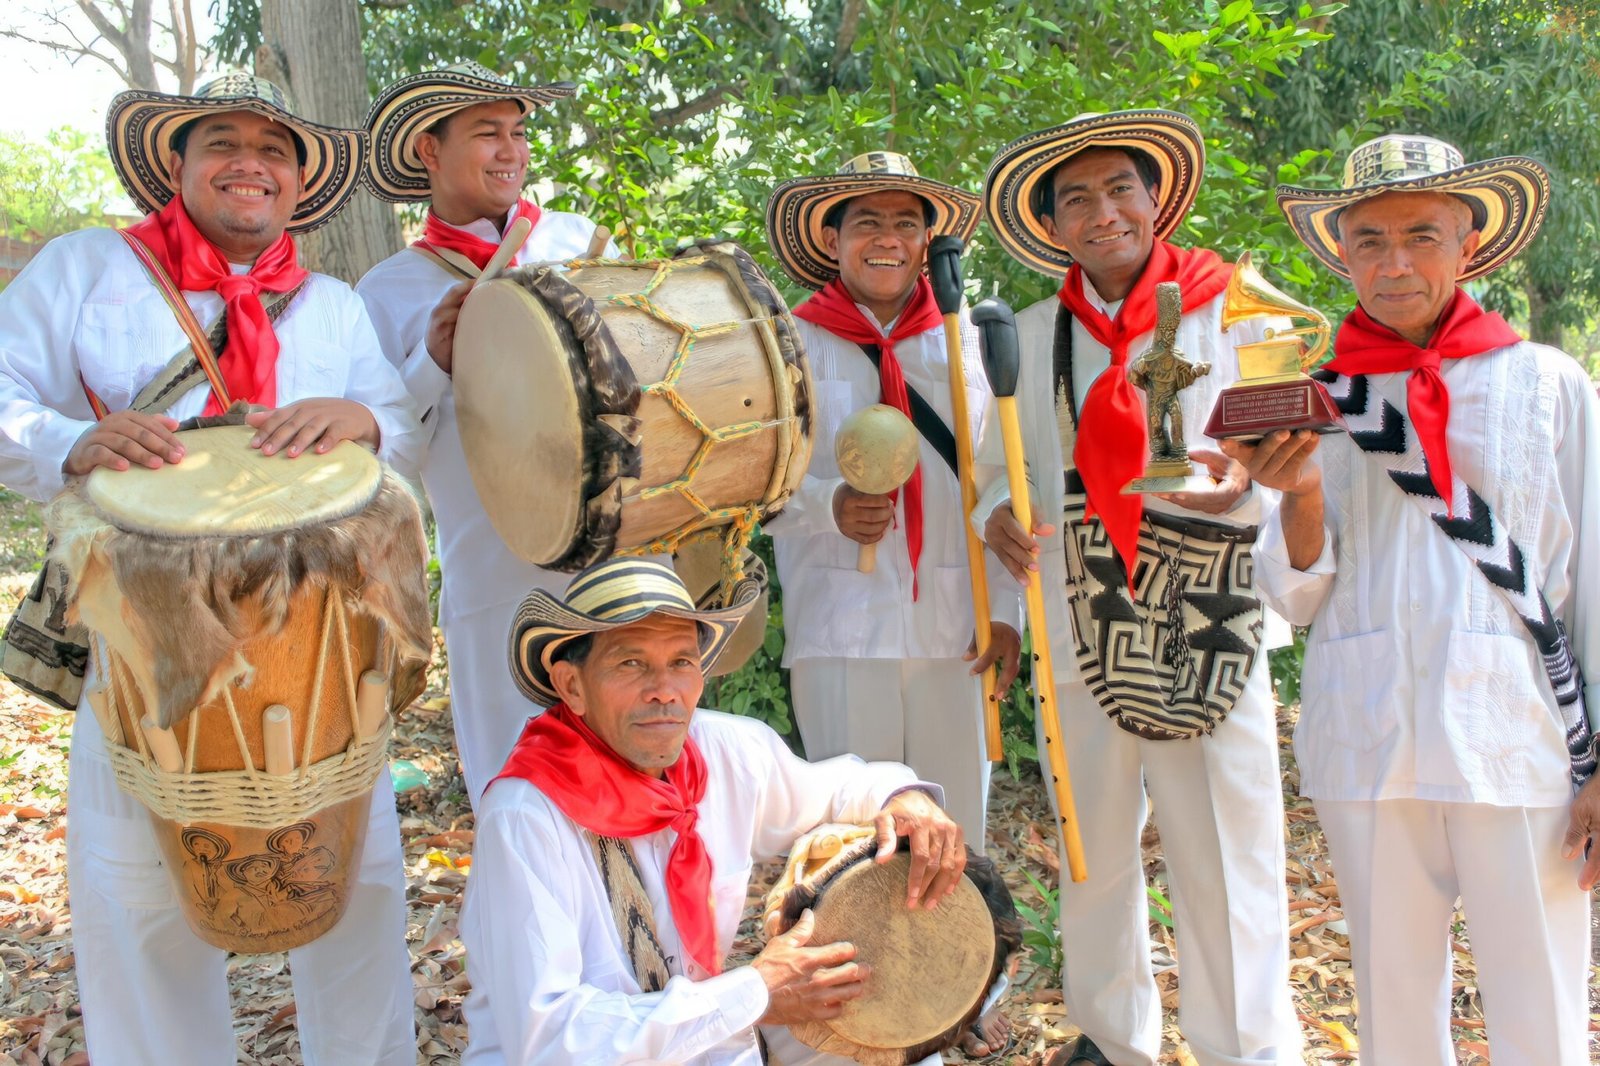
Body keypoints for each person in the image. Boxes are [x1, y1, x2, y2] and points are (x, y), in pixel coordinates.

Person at [0, 75, 422, 1064]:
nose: (250, 162)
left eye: (274, 150)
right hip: (146, 636)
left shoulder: (331, 304)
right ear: (176, 166)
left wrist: (361, 420)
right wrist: (73, 438)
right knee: (138, 896)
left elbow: (398, 425)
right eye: (222, 142)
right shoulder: (86, 268)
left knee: (354, 889)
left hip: (329, 638)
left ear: (299, 181)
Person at [1228, 133, 1600, 1066]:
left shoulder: (1549, 384)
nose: (1394, 263)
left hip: (1521, 737)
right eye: (1370, 240)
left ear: (1470, 245)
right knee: (1393, 1009)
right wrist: (1301, 494)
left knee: (1544, 1008)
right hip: (1369, 734)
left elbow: (1591, 574)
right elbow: (1294, 593)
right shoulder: (1310, 398)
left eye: (1422, 236)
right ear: (1341, 251)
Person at [976, 110, 1302, 1066]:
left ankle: (1248, 1050)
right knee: (1096, 855)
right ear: (1054, 226)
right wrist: (999, 511)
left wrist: (1249, 480)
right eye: (1076, 198)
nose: (1103, 210)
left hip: (1213, 619)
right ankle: (1115, 1041)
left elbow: (1294, 458)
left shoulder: (1248, 310)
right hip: (1084, 622)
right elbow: (1008, 470)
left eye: (1120, 187)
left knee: (1229, 856)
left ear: (1156, 196)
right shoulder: (1031, 337)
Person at [458, 556, 970, 1064]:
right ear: (572, 686)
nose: (664, 690)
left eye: (681, 662)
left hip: (706, 1041)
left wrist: (904, 799)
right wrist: (755, 992)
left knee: (888, 1040)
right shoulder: (526, 815)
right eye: (631, 663)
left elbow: (839, 789)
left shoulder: (719, 751)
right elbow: (550, 1040)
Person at [356, 62, 616, 804]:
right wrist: (432, 361)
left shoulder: (576, 245)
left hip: (614, 559)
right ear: (428, 153)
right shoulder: (390, 290)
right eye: (486, 134)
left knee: (630, 782)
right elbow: (383, 452)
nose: (510, 151)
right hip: (493, 579)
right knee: (517, 792)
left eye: (518, 133)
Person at [761, 153, 1022, 846]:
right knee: (851, 842)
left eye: (906, 223)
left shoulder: (967, 340)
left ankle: (961, 959)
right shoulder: (787, 347)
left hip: (953, 627)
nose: (887, 238)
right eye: (866, 222)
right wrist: (827, 506)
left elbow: (1001, 485)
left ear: (927, 242)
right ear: (831, 239)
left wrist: (1007, 613)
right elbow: (749, 487)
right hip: (838, 625)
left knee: (953, 838)